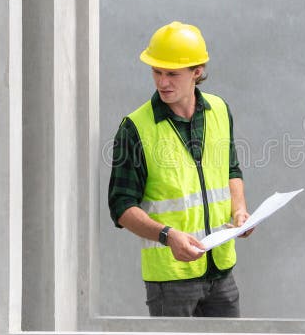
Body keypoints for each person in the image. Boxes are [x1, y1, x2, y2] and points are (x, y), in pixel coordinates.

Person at [108, 21, 252, 317]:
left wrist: (240, 211)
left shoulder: (220, 111)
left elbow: (231, 170)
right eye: (156, 72)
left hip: (221, 271)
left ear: (196, 72)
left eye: (172, 74)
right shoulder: (135, 127)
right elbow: (121, 207)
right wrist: (167, 235)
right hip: (170, 281)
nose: (162, 82)